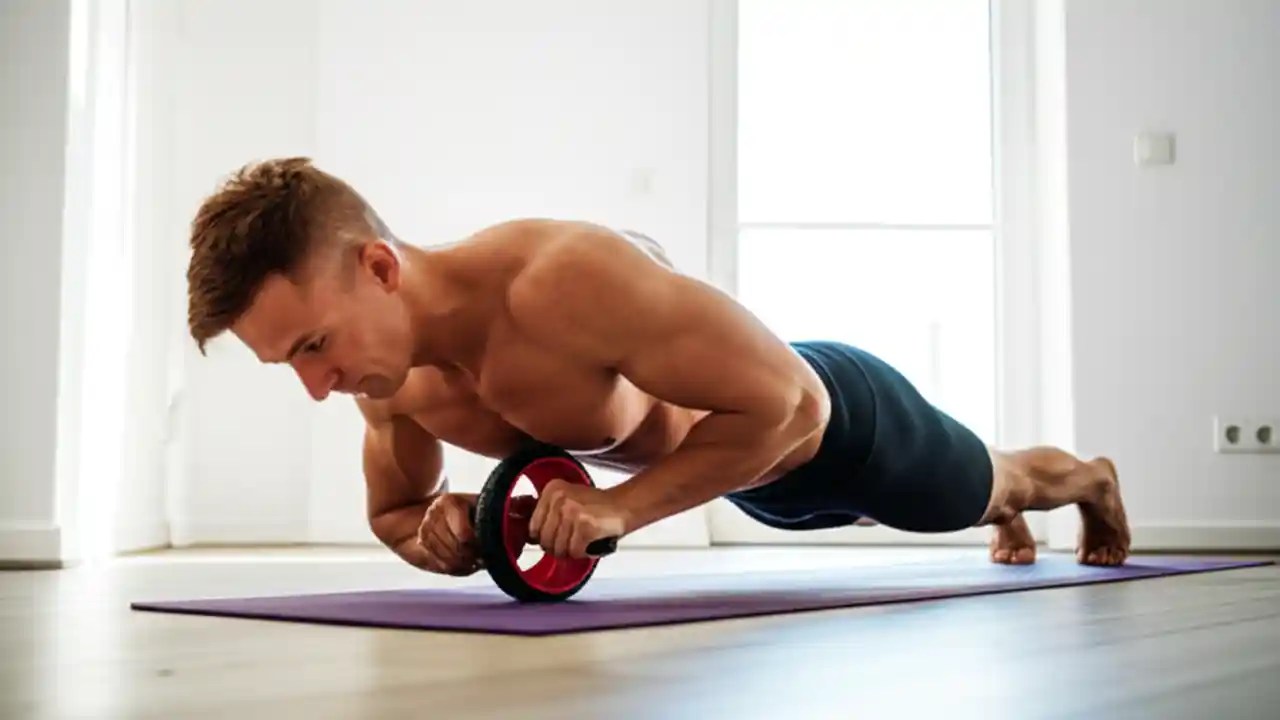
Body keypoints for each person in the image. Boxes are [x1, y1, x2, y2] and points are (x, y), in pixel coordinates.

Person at [185, 158, 1131, 576]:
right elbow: (391, 513)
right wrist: (434, 533)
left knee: (980, 490)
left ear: (379, 268)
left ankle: (1079, 480)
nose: (317, 385)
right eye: (290, 367)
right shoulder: (388, 381)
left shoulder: (559, 280)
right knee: (957, 492)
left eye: (312, 346)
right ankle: (1005, 495)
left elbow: (791, 407)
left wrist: (619, 508)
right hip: (744, 479)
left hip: (839, 422)